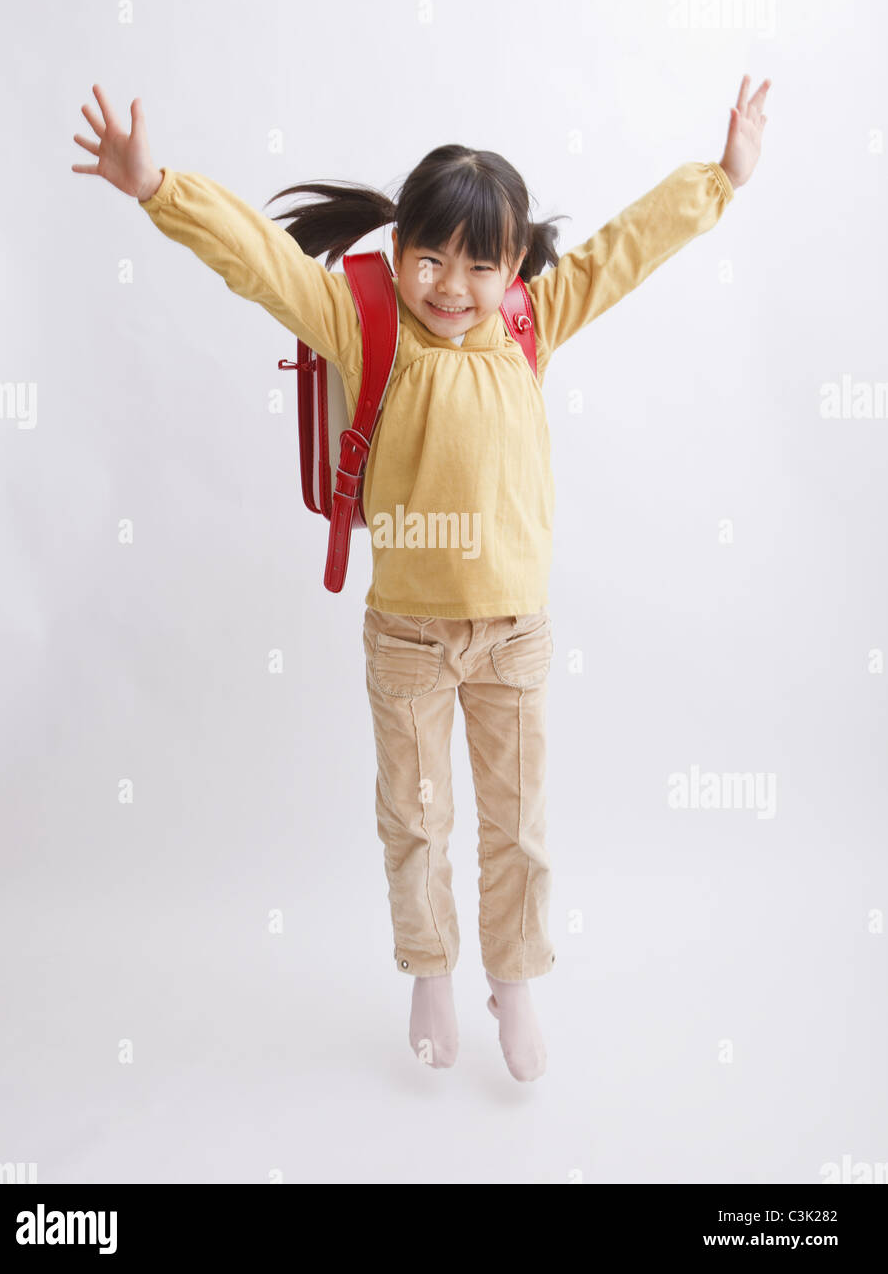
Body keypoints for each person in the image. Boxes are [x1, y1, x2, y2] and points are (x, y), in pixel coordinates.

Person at [71, 75, 770, 1082]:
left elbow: (624, 248)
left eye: (477, 264)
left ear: (515, 263)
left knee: (518, 826)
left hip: (515, 633)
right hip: (405, 632)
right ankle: (429, 968)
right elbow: (262, 263)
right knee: (416, 819)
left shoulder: (537, 320)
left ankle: (514, 980)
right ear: (397, 250)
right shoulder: (365, 327)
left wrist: (721, 180)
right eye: (428, 256)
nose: (449, 283)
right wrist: (157, 187)